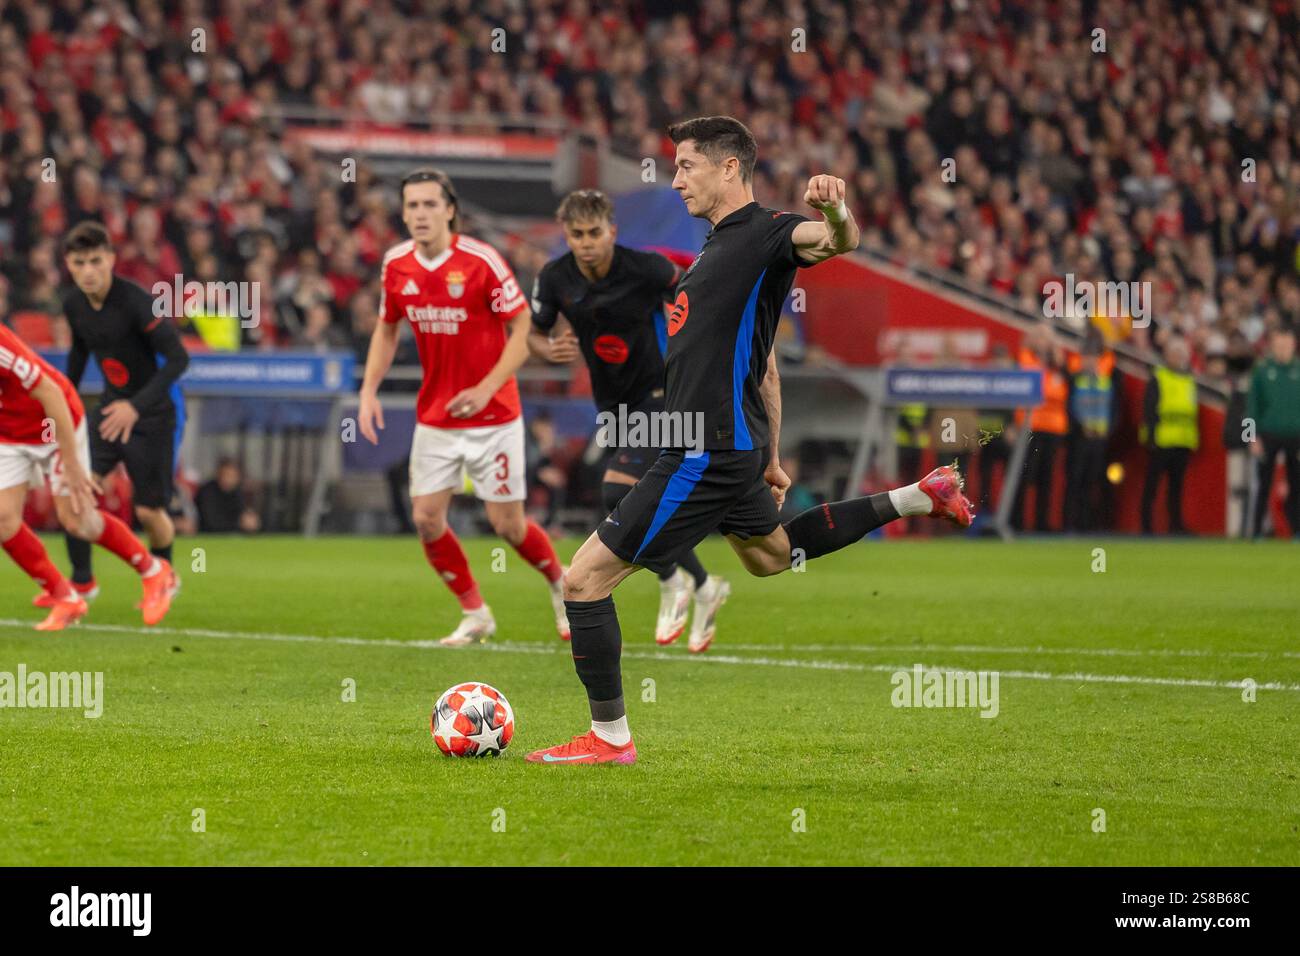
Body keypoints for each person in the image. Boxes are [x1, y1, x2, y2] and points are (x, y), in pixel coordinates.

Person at [525, 116, 972, 765]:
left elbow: (834, 240)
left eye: (686, 166)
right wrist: (772, 455)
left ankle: (610, 739)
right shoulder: (711, 250)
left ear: (729, 168)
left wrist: (838, 210)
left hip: (701, 451)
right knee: (771, 553)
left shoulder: (766, 233)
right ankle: (914, 496)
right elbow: (761, 366)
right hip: (729, 447)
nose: (675, 179)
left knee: (585, 579)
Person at [357, 168, 568, 646]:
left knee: (507, 526)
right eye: (412, 206)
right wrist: (368, 390)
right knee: (426, 517)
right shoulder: (396, 265)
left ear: (450, 209)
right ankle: (476, 612)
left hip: (494, 415)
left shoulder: (482, 261)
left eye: (430, 204)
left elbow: (523, 331)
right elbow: (386, 329)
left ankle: (561, 582)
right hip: (437, 415)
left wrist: (488, 386)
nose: (420, 214)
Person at [529, 188, 729, 651]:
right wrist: (549, 349)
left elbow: (692, 299)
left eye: (594, 233)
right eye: (576, 235)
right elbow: (534, 335)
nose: (586, 242)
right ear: (567, 236)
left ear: (612, 232)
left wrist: (690, 338)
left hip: (662, 393)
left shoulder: (646, 268)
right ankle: (701, 584)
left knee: (617, 490)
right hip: (613, 406)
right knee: (640, 498)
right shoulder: (555, 278)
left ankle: (673, 581)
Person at [33, 221, 185, 609]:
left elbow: (178, 360)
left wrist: (136, 406)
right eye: (79, 262)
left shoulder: (136, 302)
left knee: (149, 510)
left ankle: (164, 577)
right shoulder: (72, 304)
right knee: (75, 489)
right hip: (109, 412)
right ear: (68, 263)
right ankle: (82, 583)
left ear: (112, 261)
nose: (88, 270)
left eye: (96, 261)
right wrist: (62, 405)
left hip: (150, 415)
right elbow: (79, 355)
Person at [1, 325, 176, 629]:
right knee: (3, 518)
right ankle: (65, 597)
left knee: (77, 520)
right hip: (9, 433)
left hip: (53, 421)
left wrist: (71, 463)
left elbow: (50, 392)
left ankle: (153, 570)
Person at [1012, 323, 1069, 532]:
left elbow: (1067, 393)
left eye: (1048, 338)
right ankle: (1015, 520)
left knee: (1047, 478)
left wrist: (1059, 362)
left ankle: (1041, 523)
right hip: (1030, 427)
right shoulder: (1023, 359)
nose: (1044, 342)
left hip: (1053, 429)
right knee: (1025, 475)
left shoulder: (1059, 367)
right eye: (1040, 337)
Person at [1140, 335, 1199, 534]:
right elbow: (1149, 408)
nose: (1178, 357)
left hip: (1182, 439)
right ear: (1167, 355)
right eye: (1175, 353)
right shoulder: (1159, 377)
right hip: (1162, 439)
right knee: (1152, 485)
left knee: (1176, 488)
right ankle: (1146, 526)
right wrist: (1151, 437)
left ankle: (1176, 524)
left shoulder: (1189, 379)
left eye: (1182, 354)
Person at [1246, 325, 1300, 538]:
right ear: (1272, 346)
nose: (1282, 350)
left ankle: (1297, 530)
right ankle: (1257, 530)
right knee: (1263, 484)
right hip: (1268, 435)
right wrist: (1250, 438)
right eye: (1278, 346)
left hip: (1296, 436)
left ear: (1293, 345)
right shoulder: (1261, 371)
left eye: (1286, 345)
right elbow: (1251, 407)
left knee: (1297, 486)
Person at [1064, 337, 1119, 531]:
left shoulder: (1106, 381)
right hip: (1078, 439)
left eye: (1093, 357)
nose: (1089, 361)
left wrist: (1107, 431)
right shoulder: (1074, 379)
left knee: (1092, 482)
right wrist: (1080, 428)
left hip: (1099, 440)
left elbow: (1113, 410)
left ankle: (1087, 524)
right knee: (1075, 481)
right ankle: (1070, 524)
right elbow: (1069, 408)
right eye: (1086, 357)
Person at [196, 457, 261, 533]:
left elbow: (242, 513)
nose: (228, 479)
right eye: (226, 475)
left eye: (232, 476)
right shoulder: (207, 492)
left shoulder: (237, 492)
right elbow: (211, 523)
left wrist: (250, 520)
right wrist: (239, 524)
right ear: (218, 474)